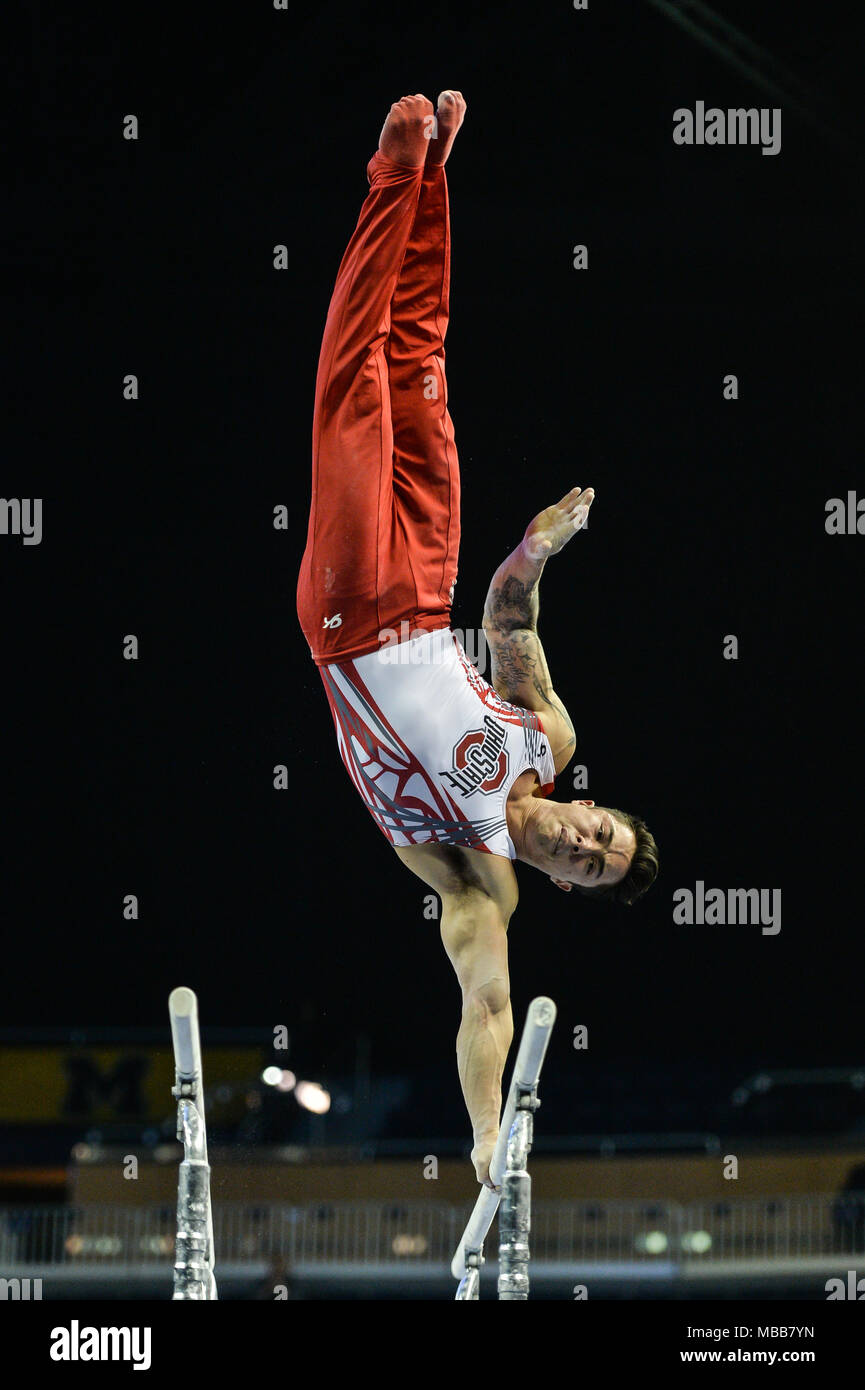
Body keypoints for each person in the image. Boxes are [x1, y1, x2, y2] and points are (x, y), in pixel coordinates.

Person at [297, 92, 659, 1188]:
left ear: (565, 885)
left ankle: (390, 177)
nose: (584, 845)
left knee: (350, 394)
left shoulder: (479, 880)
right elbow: (509, 620)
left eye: (589, 868)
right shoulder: (546, 732)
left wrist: (487, 1130)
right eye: (603, 833)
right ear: (593, 803)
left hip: (351, 623)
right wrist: (536, 548)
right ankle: (439, 176)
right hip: (434, 580)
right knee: (418, 366)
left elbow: (487, 1001)